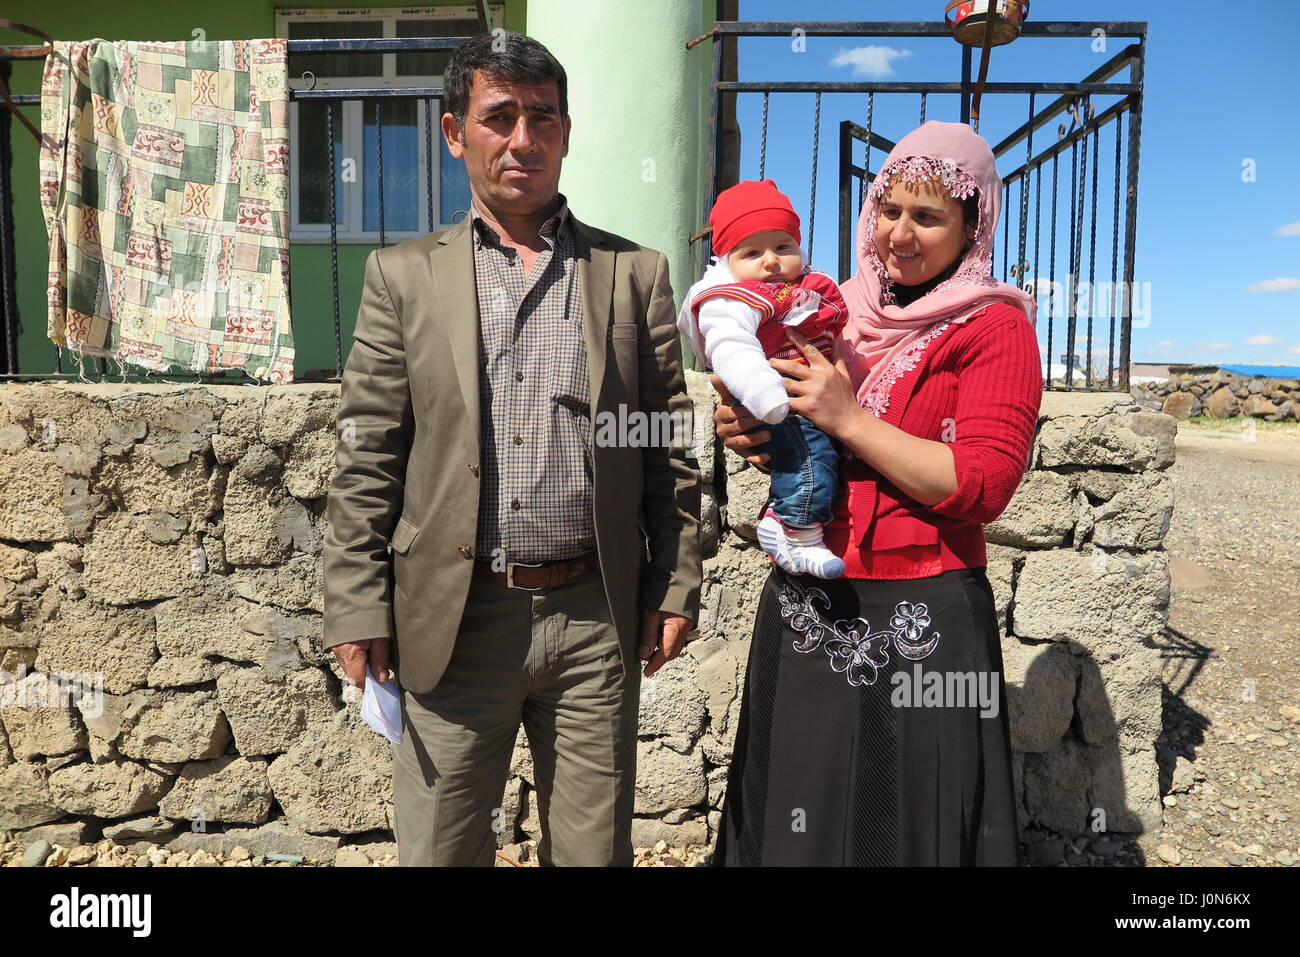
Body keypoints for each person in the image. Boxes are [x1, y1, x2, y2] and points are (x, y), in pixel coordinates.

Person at [320, 31, 701, 867]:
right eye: (499, 118)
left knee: (594, 851)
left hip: (594, 617)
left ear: (566, 133)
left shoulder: (632, 275)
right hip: (455, 620)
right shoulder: (403, 278)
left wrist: (673, 582)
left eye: (543, 119)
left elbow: (670, 446)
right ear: (455, 132)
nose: (523, 140)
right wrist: (355, 603)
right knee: (441, 848)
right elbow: (368, 455)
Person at [710, 120, 1043, 866]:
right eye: (889, 209)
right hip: (810, 599)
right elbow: (802, 439)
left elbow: (982, 483)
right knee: (799, 802)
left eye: (927, 216)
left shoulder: (994, 328)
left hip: (924, 611)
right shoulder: (832, 312)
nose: (900, 232)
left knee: (902, 820)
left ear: (972, 223)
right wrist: (751, 429)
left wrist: (849, 417)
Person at [676, 179, 848, 578]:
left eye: (783, 247)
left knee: (819, 459)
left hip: (809, 395)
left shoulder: (801, 285)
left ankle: (786, 522)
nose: (771, 261)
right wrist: (764, 394)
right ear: (726, 259)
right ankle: (794, 529)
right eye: (752, 252)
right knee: (810, 457)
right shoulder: (731, 297)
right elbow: (731, 347)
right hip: (778, 398)